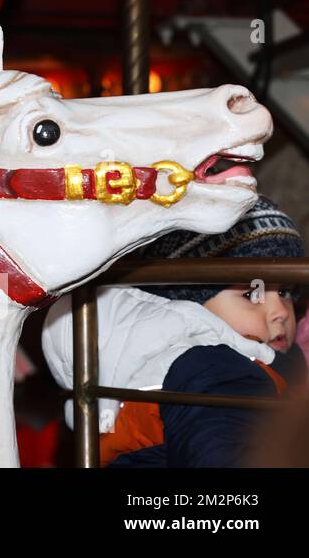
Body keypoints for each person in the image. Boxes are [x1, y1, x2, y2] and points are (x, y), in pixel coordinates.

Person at [43, 195, 306, 467]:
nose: (281, 311)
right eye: (251, 294)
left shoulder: (270, 367)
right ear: (189, 307)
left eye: (285, 292)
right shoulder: (205, 371)